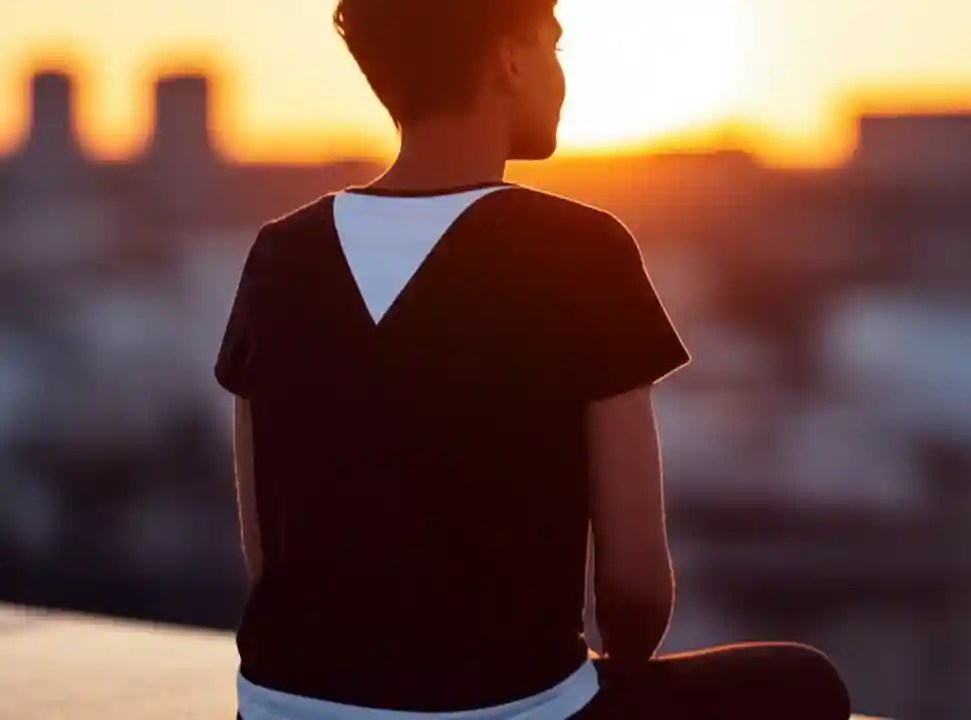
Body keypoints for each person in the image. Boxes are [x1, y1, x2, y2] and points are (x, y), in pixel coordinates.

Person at [216, 1, 853, 718]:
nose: (560, 73)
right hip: (510, 707)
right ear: (509, 60)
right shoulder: (579, 251)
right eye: (553, 46)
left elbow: (267, 557)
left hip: (285, 707)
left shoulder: (279, 255)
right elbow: (634, 592)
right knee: (806, 684)